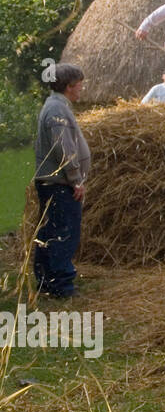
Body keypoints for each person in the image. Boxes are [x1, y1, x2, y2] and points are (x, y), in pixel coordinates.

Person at [33, 63, 91, 298]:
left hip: (55, 184)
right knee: (63, 234)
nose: (81, 89)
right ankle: (61, 286)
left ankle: (46, 281)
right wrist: (75, 179)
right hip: (59, 185)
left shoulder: (56, 105)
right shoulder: (57, 110)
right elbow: (63, 148)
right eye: (79, 85)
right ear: (69, 86)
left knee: (49, 233)